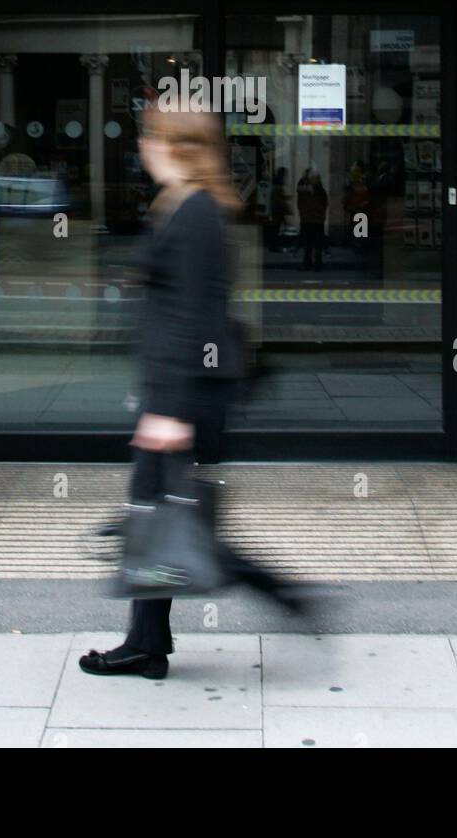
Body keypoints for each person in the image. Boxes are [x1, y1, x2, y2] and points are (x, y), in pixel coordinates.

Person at [79, 105, 318, 680]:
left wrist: (168, 411)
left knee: (173, 518)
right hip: (179, 392)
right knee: (162, 514)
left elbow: (192, 319)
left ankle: (286, 596)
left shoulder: (194, 214)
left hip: (182, 397)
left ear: (173, 145)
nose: (142, 145)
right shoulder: (183, 205)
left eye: (150, 136)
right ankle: (147, 642)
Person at [296, 166, 329, 271]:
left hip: (307, 220)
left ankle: (308, 264)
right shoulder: (321, 191)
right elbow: (324, 204)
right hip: (317, 221)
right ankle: (317, 265)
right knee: (316, 244)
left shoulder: (305, 190)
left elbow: (300, 202)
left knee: (308, 244)